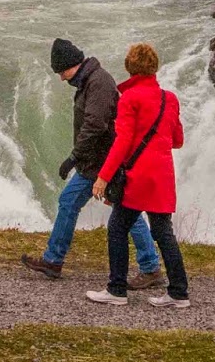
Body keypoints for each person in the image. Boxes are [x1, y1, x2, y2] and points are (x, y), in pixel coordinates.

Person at [21, 38, 163, 286]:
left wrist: (73, 157)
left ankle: (150, 267)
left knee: (122, 213)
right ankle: (54, 261)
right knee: (80, 204)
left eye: (62, 72)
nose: (61, 78)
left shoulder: (98, 83)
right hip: (94, 162)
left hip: (102, 163)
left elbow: (95, 126)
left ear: (72, 65)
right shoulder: (90, 81)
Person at [86, 42, 190, 310]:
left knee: (117, 228)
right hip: (163, 177)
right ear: (154, 67)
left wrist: (103, 177)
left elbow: (122, 142)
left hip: (138, 176)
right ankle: (179, 293)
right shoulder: (170, 99)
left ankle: (117, 289)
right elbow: (177, 140)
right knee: (164, 233)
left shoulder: (130, 98)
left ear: (130, 68)